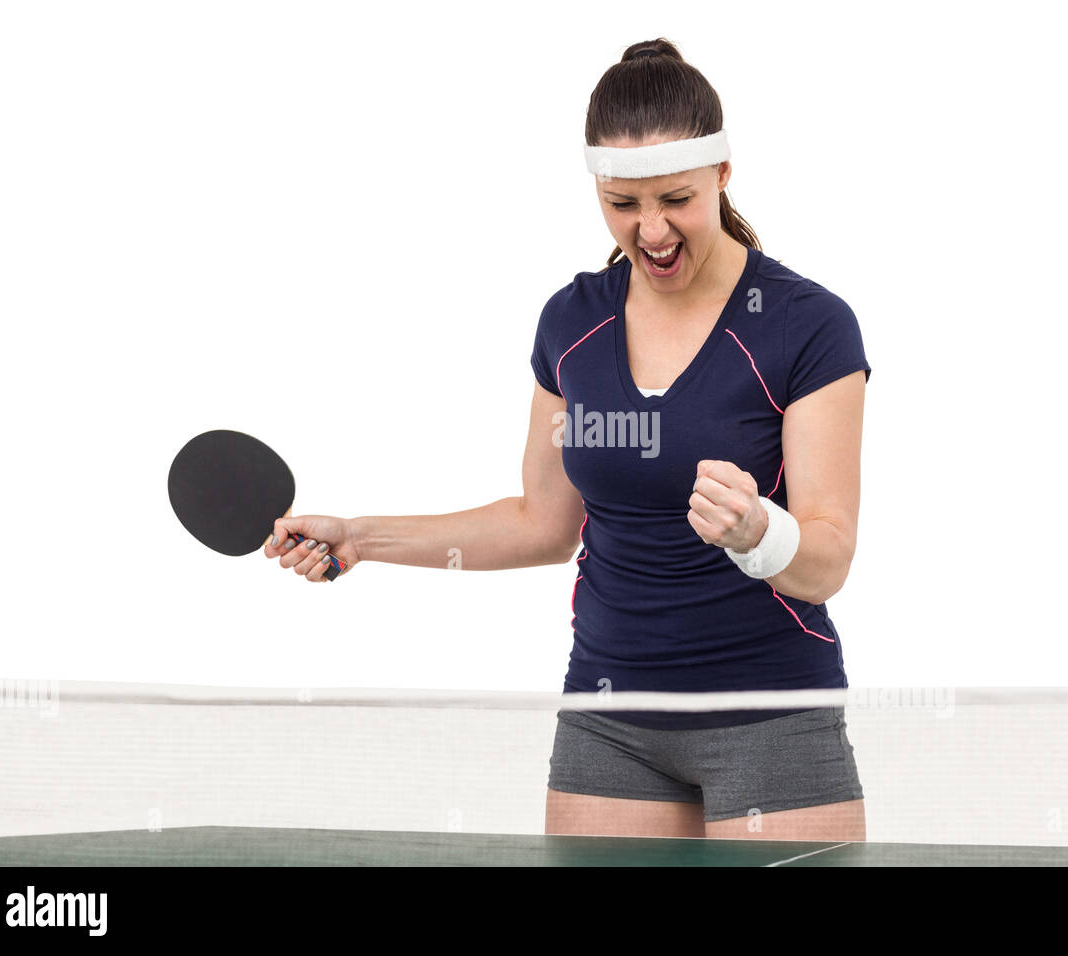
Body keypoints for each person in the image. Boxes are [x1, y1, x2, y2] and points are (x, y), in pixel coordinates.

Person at [263, 38, 871, 843]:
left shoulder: (807, 325)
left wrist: (762, 533)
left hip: (773, 719)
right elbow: (542, 524)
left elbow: (826, 560)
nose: (651, 230)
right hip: (609, 723)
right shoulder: (573, 323)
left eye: (675, 199)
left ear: (723, 175)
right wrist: (362, 538)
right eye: (622, 204)